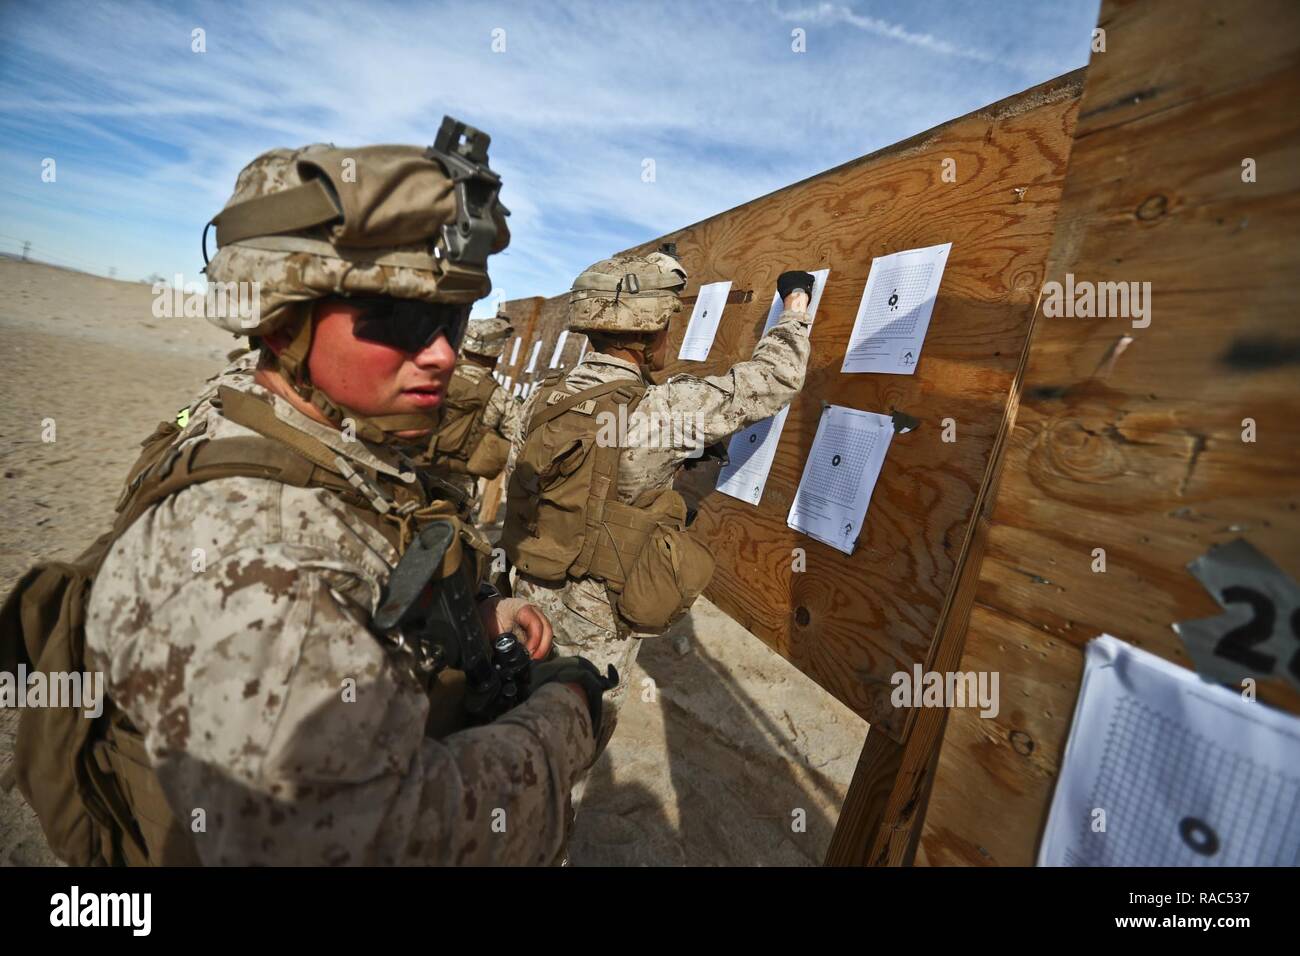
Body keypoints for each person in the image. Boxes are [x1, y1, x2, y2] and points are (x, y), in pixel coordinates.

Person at [4, 123, 615, 866]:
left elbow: (377, 556)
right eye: (403, 318)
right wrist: (565, 716)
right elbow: (382, 842)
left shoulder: (268, 408)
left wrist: (481, 614)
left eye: (451, 318)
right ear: (283, 321)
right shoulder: (263, 578)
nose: (443, 353)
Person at [502, 250, 814, 757]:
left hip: (525, 590)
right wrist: (796, 307)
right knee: (565, 752)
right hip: (597, 616)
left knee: (513, 720)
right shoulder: (662, 410)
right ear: (649, 335)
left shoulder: (543, 396)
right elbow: (770, 381)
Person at [422, 313, 521, 518]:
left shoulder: (431, 373)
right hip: (456, 485)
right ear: (495, 353)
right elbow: (518, 440)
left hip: (413, 464)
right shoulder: (499, 396)